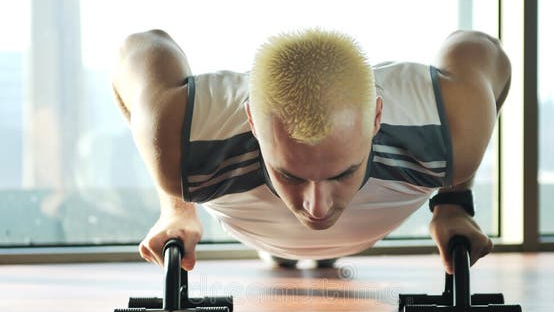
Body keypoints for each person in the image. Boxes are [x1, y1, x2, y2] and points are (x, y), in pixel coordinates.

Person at [111, 27, 511, 276]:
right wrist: (177, 207)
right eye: (291, 175)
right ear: (252, 123)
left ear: (376, 118)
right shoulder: (184, 140)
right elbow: (142, 47)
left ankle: (295, 245)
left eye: (342, 174)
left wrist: (453, 204)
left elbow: (480, 49)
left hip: (350, 231)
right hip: (260, 232)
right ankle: (285, 252)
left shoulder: (446, 128)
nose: (317, 208)